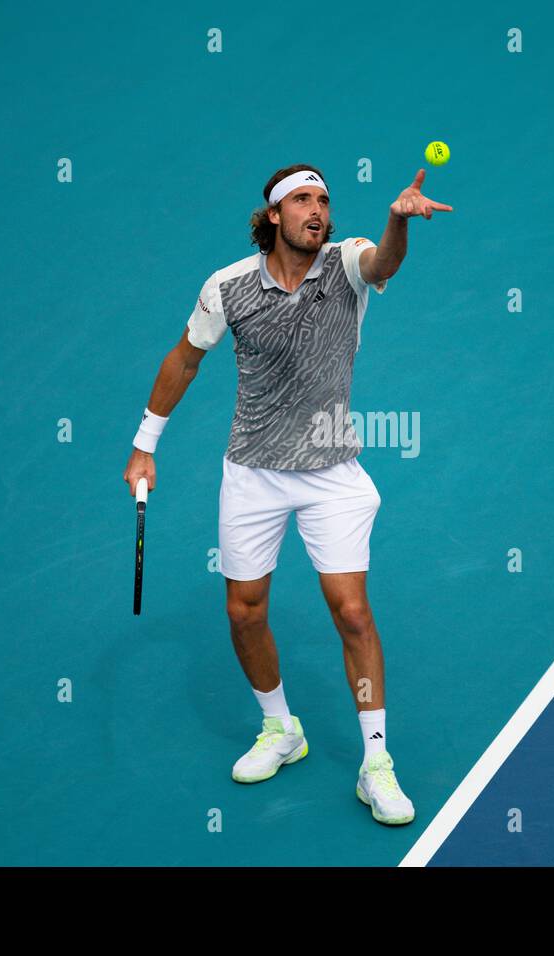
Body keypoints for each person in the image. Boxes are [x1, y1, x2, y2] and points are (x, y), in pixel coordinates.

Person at [123, 163, 452, 826]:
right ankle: (281, 728)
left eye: (323, 200)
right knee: (243, 612)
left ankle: (376, 762)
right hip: (253, 472)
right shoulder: (228, 287)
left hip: (332, 472)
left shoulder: (348, 263)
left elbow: (385, 262)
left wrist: (397, 221)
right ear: (273, 215)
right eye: (302, 200)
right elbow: (185, 358)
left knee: (352, 613)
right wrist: (144, 444)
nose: (317, 211)